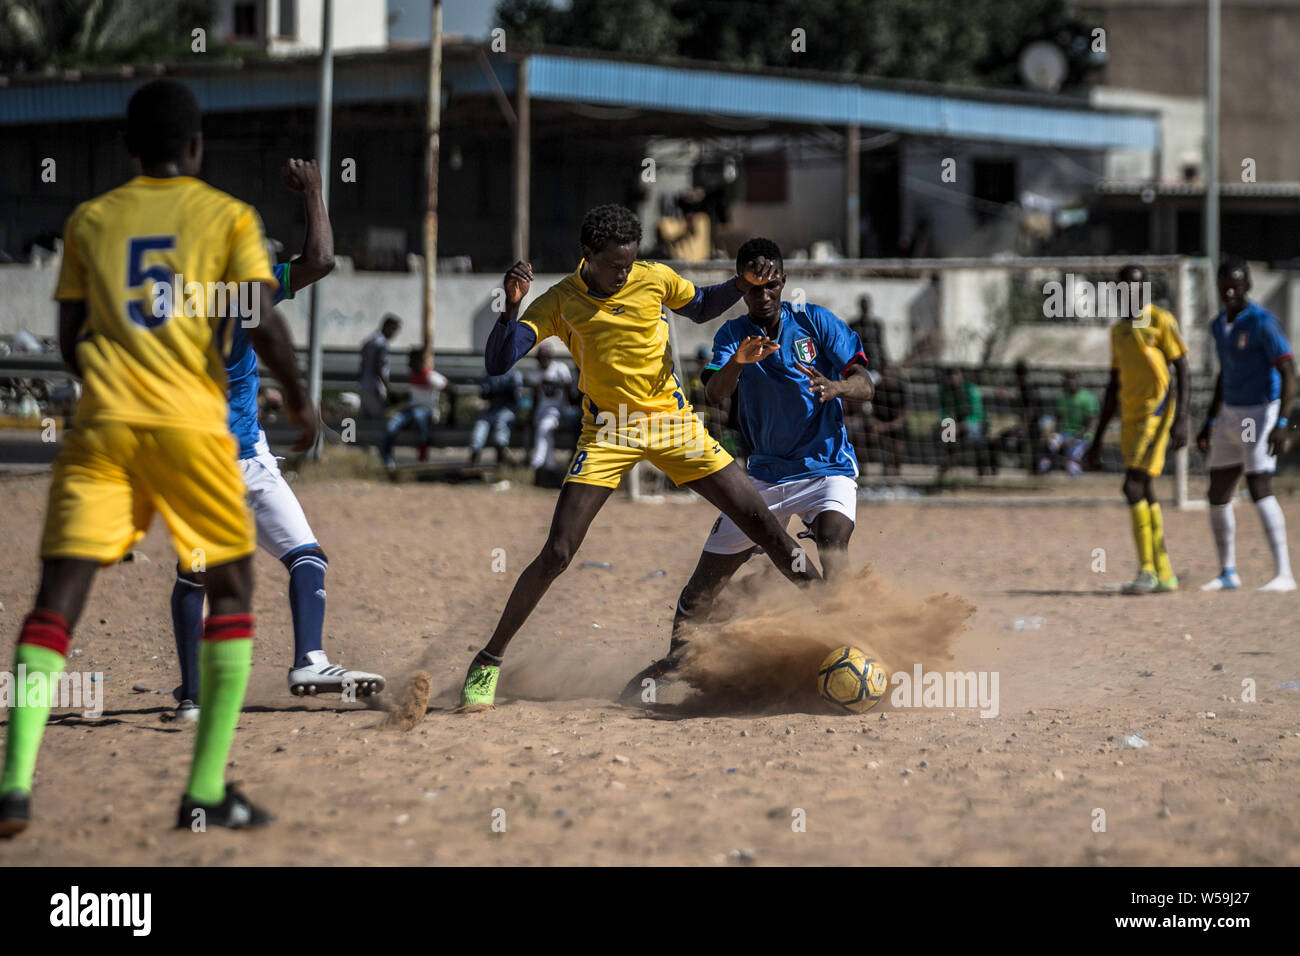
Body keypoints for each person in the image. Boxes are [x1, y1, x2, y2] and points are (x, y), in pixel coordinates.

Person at [1, 79, 316, 836]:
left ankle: (13, 786)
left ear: (127, 147)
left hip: (103, 426)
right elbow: (263, 319)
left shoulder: (90, 221)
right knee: (232, 586)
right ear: (198, 147)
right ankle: (204, 788)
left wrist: (117, 381)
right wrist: (300, 398)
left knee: (58, 597)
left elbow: (72, 338)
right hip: (193, 427)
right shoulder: (226, 216)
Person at [457, 204, 822, 710]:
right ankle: (489, 660)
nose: (624, 272)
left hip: (672, 422)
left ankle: (833, 610)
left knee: (759, 519)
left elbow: (700, 305)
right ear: (588, 256)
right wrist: (510, 307)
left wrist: (740, 282)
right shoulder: (560, 301)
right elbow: (498, 362)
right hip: (608, 432)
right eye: (615, 265)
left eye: (630, 263)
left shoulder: (653, 278)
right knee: (558, 551)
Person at [169, 158, 384, 722]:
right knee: (300, 557)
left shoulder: (168, 300)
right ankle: (297, 662)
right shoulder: (245, 295)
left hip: (208, 461)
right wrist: (314, 191)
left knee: (235, 566)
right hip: (227, 459)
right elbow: (321, 260)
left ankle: (209, 691)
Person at [622, 238, 872, 696]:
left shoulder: (815, 322)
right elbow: (716, 394)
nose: (765, 295)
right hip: (764, 478)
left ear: (783, 281)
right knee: (704, 587)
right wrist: (738, 363)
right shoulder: (733, 335)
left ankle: (846, 645)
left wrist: (838, 388)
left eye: (772, 284)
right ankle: (675, 661)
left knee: (834, 543)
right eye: (755, 287)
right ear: (743, 288)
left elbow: (866, 384)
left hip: (827, 468)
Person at [1084, 264, 1189, 594]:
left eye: (1137, 287)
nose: (1131, 293)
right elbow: (1113, 386)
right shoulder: (1118, 332)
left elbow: (1183, 370)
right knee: (1144, 489)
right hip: (1130, 419)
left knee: (1132, 486)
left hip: (1156, 415)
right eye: (1125, 287)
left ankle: (1147, 570)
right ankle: (1166, 573)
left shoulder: (1160, 320)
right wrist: (1098, 439)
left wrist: (1183, 418)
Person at [1197, 258, 1296, 592]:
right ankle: (1228, 572)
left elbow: (1288, 373)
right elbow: (1224, 374)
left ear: (1247, 286)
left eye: (1236, 284)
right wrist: (1209, 420)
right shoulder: (1217, 325)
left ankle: (1284, 573)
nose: (1229, 290)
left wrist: (1282, 422)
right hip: (1229, 412)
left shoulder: (1263, 323)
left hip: (1259, 411)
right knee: (1218, 489)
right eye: (1224, 283)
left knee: (1258, 484)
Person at [382, 349, 449, 470]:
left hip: (427, 411)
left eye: (411, 361)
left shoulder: (430, 375)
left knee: (419, 416)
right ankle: (388, 460)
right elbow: (412, 396)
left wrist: (451, 416)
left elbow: (451, 388)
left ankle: (422, 456)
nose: (409, 364)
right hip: (411, 410)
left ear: (419, 361)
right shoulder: (412, 374)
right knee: (392, 425)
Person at [1040, 372, 1099, 476]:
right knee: (1049, 448)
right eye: (1068, 380)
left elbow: (1090, 425)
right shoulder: (1062, 398)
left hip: (1084, 436)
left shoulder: (1088, 398)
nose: (1071, 382)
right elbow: (1059, 421)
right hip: (1066, 434)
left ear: (1078, 382)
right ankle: (1043, 475)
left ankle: (1076, 482)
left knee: (1071, 461)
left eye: (1074, 379)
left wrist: (1074, 438)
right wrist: (1051, 434)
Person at [527, 342, 573, 471]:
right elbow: (535, 395)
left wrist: (567, 407)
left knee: (544, 428)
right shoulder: (534, 372)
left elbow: (568, 388)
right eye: (541, 357)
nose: (544, 360)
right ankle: (549, 464)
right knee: (546, 433)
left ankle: (538, 461)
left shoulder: (560, 368)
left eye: (546, 357)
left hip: (558, 409)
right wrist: (532, 413)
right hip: (542, 409)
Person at [937, 368, 991, 475]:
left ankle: (982, 470)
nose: (952, 381)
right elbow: (944, 412)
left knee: (976, 437)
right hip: (957, 423)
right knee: (946, 435)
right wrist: (946, 423)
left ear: (960, 377)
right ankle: (947, 466)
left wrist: (962, 425)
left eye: (955, 377)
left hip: (977, 422)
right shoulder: (945, 391)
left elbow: (977, 414)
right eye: (949, 378)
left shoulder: (971, 389)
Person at [469, 369, 523, 465]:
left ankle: (500, 460)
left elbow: (515, 396)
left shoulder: (514, 374)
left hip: (508, 409)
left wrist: (499, 390)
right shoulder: (490, 373)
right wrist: (489, 391)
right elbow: (484, 393)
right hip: (492, 409)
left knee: (501, 423)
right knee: (481, 425)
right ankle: (473, 460)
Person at [358, 314, 401, 418]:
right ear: (387, 328)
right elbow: (381, 369)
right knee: (378, 420)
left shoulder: (369, 341)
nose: (393, 335)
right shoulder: (381, 344)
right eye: (393, 331)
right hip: (374, 388)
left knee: (364, 422)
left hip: (363, 385)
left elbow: (362, 365)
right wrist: (389, 390)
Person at [868, 365, 907, 475]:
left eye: (889, 375)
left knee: (897, 444)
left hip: (895, 425)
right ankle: (879, 468)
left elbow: (903, 416)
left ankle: (896, 470)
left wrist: (887, 427)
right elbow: (870, 412)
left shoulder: (900, 389)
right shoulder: (877, 389)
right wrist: (876, 424)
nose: (887, 378)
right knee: (869, 433)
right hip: (880, 424)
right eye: (884, 375)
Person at [852, 294, 889, 376]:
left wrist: (885, 364)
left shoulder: (876, 325)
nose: (865, 307)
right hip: (860, 364)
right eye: (863, 305)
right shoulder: (853, 325)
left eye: (866, 305)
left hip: (874, 364)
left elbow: (881, 344)